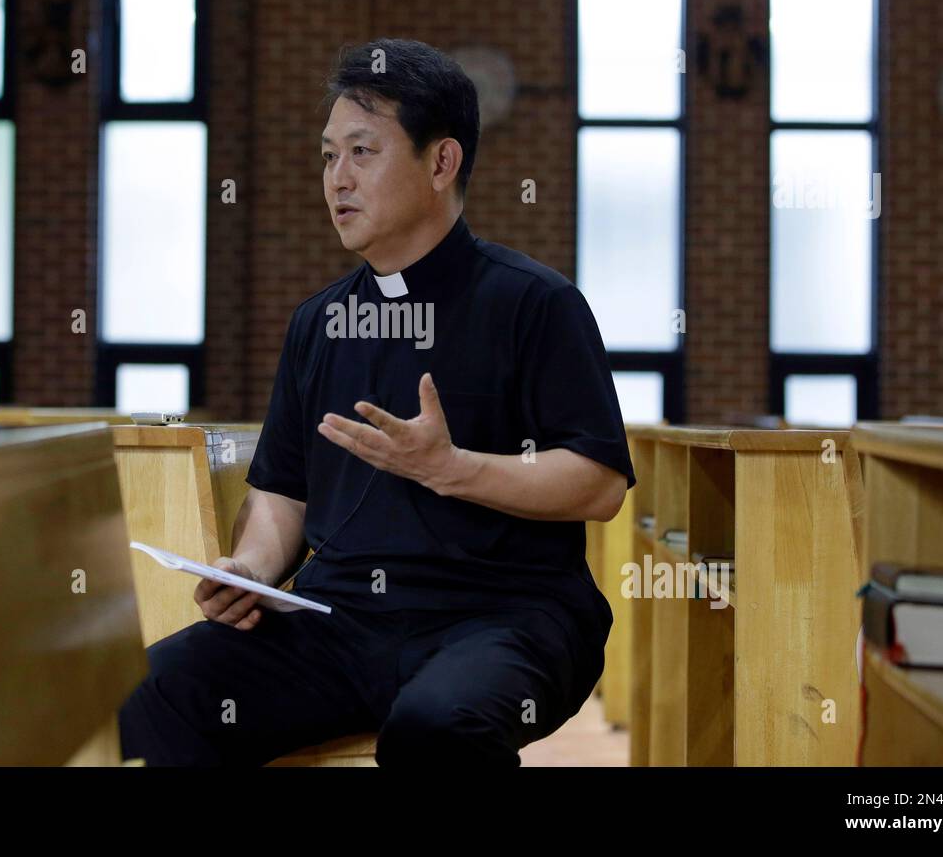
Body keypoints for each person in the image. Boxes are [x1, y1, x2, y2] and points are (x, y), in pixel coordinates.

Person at [118, 38, 636, 767]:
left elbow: (601, 483)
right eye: (329, 156)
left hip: (505, 618)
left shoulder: (534, 303)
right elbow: (280, 492)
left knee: (435, 725)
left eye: (363, 151)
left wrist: (453, 468)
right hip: (343, 619)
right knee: (158, 689)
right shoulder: (317, 323)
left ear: (440, 162)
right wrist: (253, 571)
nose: (338, 179)